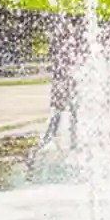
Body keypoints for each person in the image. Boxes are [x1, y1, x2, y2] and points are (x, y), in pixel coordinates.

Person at [30, 27, 80, 158]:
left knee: (70, 113)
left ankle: (69, 142)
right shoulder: (63, 47)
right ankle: (51, 139)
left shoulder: (64, 46)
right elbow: (62, 68)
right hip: (63, 83)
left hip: (66, 83)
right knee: (62, 113)